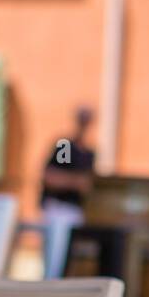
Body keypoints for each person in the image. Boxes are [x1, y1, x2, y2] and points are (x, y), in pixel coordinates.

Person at [39, 106, 97, 279]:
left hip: (76, 211)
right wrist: (75, 182)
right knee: (55, 258)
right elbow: (51, 176)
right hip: (59, 209)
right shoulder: (66, 147)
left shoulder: (88, 152)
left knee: (71, 258)